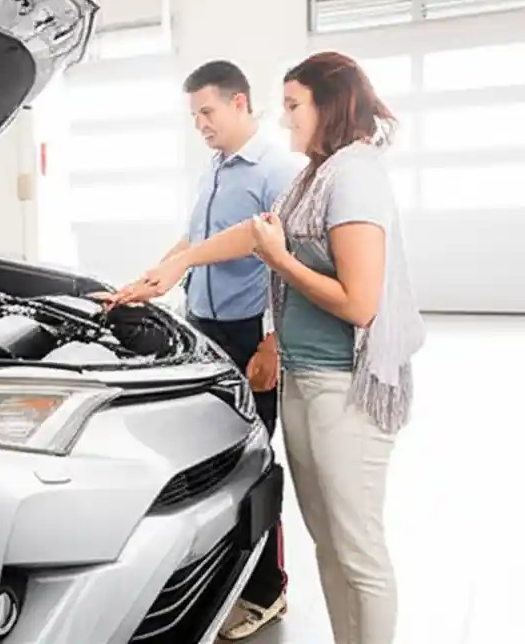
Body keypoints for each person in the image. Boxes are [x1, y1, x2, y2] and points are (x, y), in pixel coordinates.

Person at [103, 51, 424, 644]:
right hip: (309, 380)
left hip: (343, 387)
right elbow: (251, 233)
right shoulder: (314, 173)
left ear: (331, 104)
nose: (287, 119)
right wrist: (171, 270)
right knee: (329, 543)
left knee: (359, 550)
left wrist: (277, 266)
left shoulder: (353, 174)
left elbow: (359, 303)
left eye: (295, 105)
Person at [167, 60, 301, 640]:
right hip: (202, 326)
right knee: (210, 462)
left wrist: (273, 340)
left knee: (253, 464)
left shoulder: (277, 169)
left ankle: (268, 591)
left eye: (208, 111)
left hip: (250, 335)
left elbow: (289, 264)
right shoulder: (217, 167)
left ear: (241, 103)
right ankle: (221, 570)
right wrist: (160, 275)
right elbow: (196, 242)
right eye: (194, 114)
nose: (200, 123)